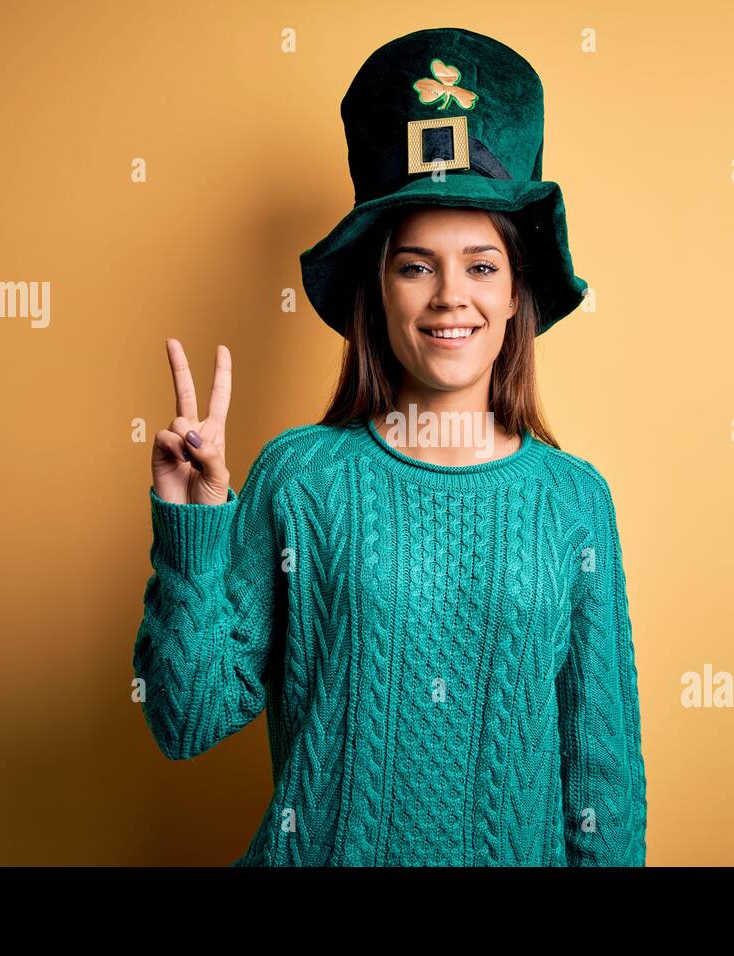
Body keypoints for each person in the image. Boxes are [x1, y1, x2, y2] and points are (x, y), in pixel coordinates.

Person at [133, 26, 647, 866]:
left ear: (518, 293)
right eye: (416, 266)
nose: (452, 297)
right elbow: (185, 721)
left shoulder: (573, 501)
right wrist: (191, 529)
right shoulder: (299, 478)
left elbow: (603, 781)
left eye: (481, 266)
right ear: (377, 289)